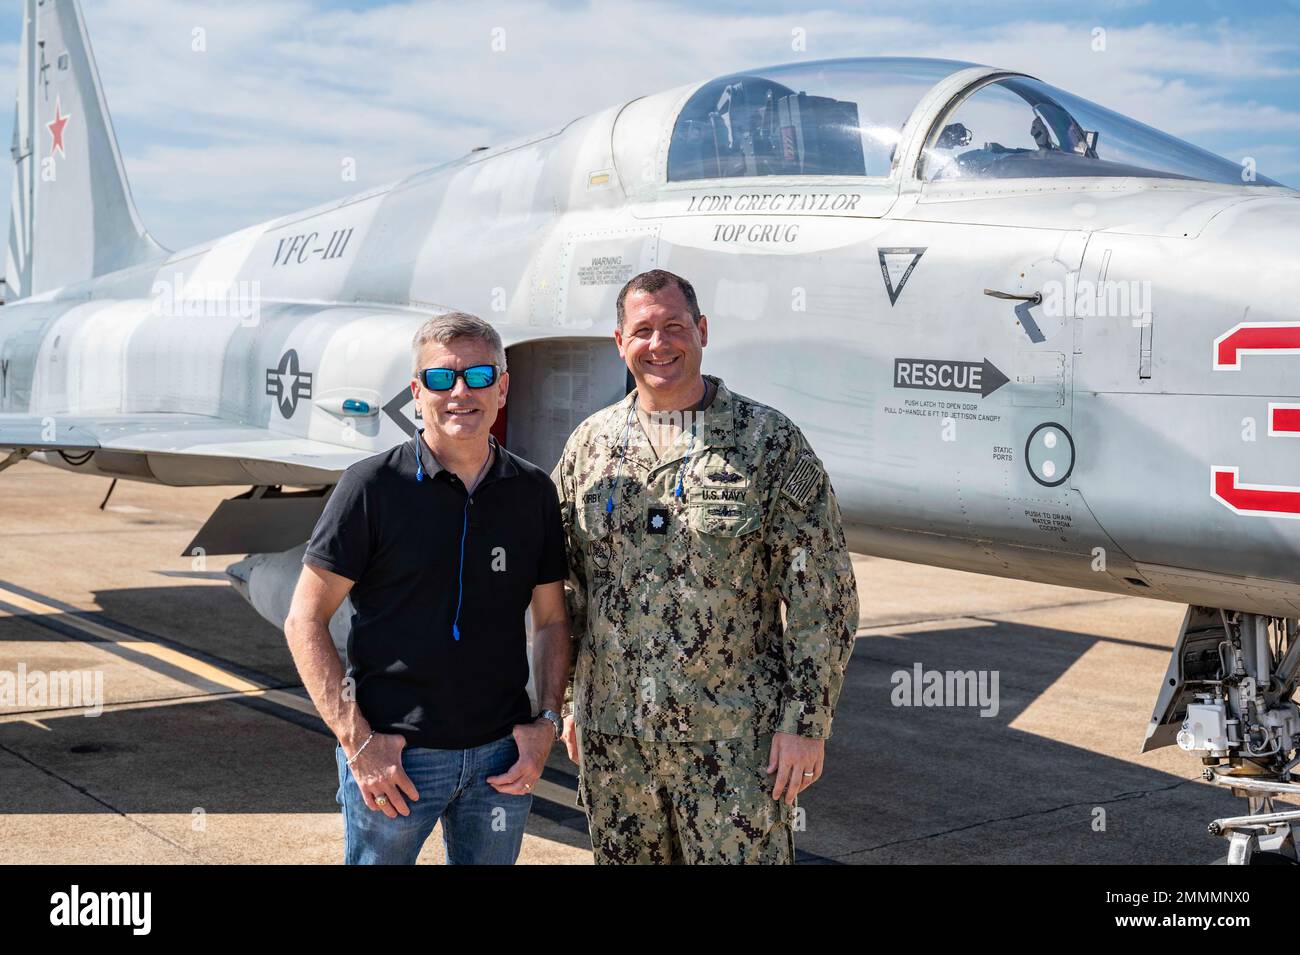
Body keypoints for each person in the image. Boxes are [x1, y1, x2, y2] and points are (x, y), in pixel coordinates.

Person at [552, 269, 859, 864]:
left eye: (674, 326)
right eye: (642, 330)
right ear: (620, 342)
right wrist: (567, 701)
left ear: (702, 332)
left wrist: (806, 723)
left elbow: (824, 595)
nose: (659, 343)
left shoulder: (767, 441)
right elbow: (565, 591)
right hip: (616, 742)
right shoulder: (589, 445)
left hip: (736, 742)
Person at [284, 312, 571, 865]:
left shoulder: (532, 492)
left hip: (500, 761)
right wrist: (358, 742)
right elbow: (305, 619)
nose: (460, 392)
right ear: (418, 392)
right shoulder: (370, 487)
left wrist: (547, 724)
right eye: (441, 379)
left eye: (480, 376)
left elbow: (553, 619)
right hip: (395, 760)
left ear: (503, 387)